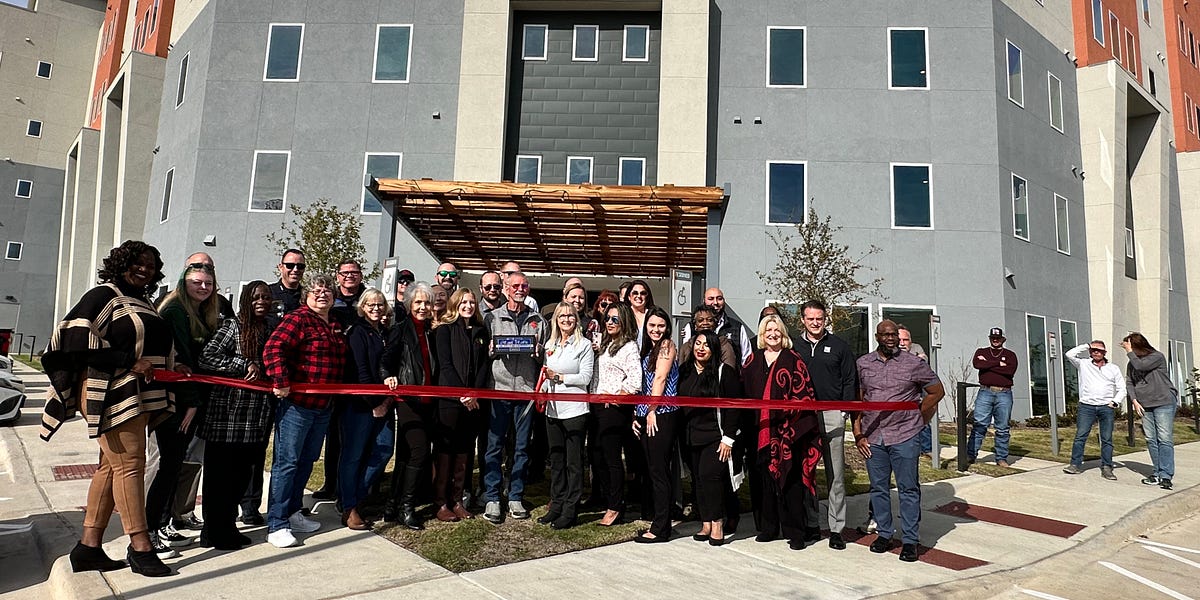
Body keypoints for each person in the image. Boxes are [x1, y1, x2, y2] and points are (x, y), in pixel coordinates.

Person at [41, 240, 174, 577]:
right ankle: (140, 547)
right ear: (121, 263)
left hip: (137, 394)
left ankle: (88, 547)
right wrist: (129, 360)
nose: (145, 269)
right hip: (109, 392)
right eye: (138, 263)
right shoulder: (104, 295)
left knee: (111, 467)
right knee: (131, 464)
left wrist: (177, 366)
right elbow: (73, 343)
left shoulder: (142, 301)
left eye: (151, 265)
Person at [263, 273, 348, 549]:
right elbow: (274, 348)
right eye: (316, 291)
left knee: (306, 461)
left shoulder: (333, 323)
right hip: (297, 406)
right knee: (286, 463)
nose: (322, 294)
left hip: (323, 407)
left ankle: (293, 510)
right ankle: (277, 522)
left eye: (327, 291)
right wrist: (280, 381)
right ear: (306, 296)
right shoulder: (297, 318)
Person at [854, 320, 945, 563]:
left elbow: (937, 391)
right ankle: (884, 534)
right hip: (874, 436)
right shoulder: (863, 364)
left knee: (908, 489)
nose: (891, 338)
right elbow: (858, 402)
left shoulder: (914, 364)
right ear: (877, 336)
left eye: (894, 334)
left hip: (905, 435)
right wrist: (858, 433)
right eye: (886, 334)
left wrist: (918, 417)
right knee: (878, 488)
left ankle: (910, 541)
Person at [146, 262, 220, 554]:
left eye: (208, 283)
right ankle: (150, 530)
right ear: (183, 282)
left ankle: (162, 524)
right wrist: (190, 402)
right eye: (197, 282)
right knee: (166, 466)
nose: (203, 287)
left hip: (188, 398)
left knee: (175, 467)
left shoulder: (199, 311)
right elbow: (181, 360)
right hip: (174, 401)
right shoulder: (175, 309)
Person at [196, 281, 275, 551]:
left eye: (266, 297)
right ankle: (214, 530)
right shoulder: (233, 326)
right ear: (245, 300)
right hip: (226, 416)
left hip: (255, 417)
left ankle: (226, 526)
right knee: (220, 478)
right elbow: (207, 357)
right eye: (255, 297)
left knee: (241, 477)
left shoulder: (270, 329)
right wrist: (243, 364)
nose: (261, 301)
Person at [741, 315, 822, 551]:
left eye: (776, 330)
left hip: (789, 432)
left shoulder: (793, 360)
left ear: (783, 334)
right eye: (768, 330)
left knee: (791, 482)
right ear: (762, 334)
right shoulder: (752, 361)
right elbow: (743, 394)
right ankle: (768, 528)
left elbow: (804, 394)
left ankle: (795, 532)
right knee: (764, 482)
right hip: (760, 432)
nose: (772, 334)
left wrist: (792, 424)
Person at [481, 271, 546, 523]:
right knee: (494, 446)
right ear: (506, 288)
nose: (520, 289)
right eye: (515, 285)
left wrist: (539, 353)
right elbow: (482, 355)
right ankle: (492, 497)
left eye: (524, 286)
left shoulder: (538, 320)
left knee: (521, 448)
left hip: (527, 392)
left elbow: (545, 358)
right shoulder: (492, 319)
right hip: (499, 389)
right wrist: (490, 351)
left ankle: (516, 495)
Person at [794, 300, 856, 550]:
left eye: (819, 318)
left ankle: (836, 528)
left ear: (825, 318)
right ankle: (810, 523)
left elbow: (850, 381)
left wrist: (843, 412)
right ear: (803, 320)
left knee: (836, 474)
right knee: (806, 472)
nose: (815, 323)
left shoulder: (840, 346)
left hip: (832, 414)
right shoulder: (794, 346)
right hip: (804, 415)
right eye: (810, 319)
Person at [380, 282, 438, 526]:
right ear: (409, 304)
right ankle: (407, 506)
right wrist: (387, 375)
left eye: (426, 302)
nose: (423, 307)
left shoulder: (431, 331)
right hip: (407, 399)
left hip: (428, 400)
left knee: (405, 454)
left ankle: (393, 504)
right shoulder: (401, 329)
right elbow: (387, 360)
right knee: (419, 451)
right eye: (418, 302)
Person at [678, 331, 744, 546]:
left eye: (706, 345)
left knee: (710, 478)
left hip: (715, 437)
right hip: (690, 436)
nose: (701, 348)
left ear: (714, 348)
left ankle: (717, 524)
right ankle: (705, 523)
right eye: (697, 343)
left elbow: (734, 409)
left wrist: (728, 438)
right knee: (697, 480)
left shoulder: (724, 372)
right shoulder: (685, 371)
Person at [339, 289, 396, 530]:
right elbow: (361, 372)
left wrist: (385, 402)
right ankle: (350, 507)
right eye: (371, 304)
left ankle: (355, 498)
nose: (376, 308)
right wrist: (375, 404)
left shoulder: (384, 332)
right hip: (360, 405)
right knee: (352, 457)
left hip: (384, 402)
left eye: (380, 304)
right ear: (362, 307)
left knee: (384, 450)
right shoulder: (357, 332)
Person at [434, 288, 491, 521]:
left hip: (472, 402)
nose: (468, 306)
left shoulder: (480, 331)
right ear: (455, 304)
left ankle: (457, 500)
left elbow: (483, 366)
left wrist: (473, 393)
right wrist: (462, 393)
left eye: (471, 302)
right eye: (463, 302)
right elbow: (445, 365)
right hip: (450, 401)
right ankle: (441, 503)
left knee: (464, 452)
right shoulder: (444, 331)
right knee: (445, 452)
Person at [538, 302, 595, 530]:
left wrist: (560, 377)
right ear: (556, 320)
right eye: (562, 316)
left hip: (575, 411)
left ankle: (571, 509)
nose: (566, 319)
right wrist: (542, 389)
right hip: (553, 410)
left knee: (573, 463)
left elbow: (586, 377)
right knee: (557, 460)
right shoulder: (550, 344)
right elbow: (544, 372)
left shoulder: (585, 345)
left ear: (576, 319)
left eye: (570, 316)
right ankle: (557, 505)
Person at [590, 301, 642, 527]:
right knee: (596, 455)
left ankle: (616, 506)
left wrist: (617, 397)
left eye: (615, 319)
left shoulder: (629, 347)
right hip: (597, 405)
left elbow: (635, 380)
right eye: (607, 319)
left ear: (624, 322)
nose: (610, 323)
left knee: (612, 458)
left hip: (614, 409)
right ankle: (608, 498)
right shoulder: (603, 343)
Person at [630, 307, 679, 543]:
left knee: (660, 472)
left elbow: (660, 379)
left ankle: (661, 528)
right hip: (646, 413)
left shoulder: (668, 346)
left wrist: (651, 410)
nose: (656, 330)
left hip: (662, 414)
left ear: (667, 327)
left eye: (660, 325)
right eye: (652, 325)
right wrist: (637, 414)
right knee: (652, 471)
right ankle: (660, 521)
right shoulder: (648, 349)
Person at [1062, 340, 1125, 480]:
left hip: (1106, 407)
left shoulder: (1113, 368)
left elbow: (1122, 388)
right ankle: (1075, 464)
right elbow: (1069, 354)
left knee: (1106, 438)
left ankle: (1107, 467)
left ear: (1105, 353)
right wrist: (1086, 346)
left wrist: (1115, 402)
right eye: (1093, 350)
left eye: (1099, 350)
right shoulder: (1083, 364)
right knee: (1081, 436)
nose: (1096, 352)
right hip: (1086, 406)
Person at [1122, 333, 1177, 490]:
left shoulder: (1157, 357)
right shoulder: (1131, 362)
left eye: (1131, 346)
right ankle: (1157, 472)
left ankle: (1166, 475)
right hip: (1144, 404)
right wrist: (1134, 400)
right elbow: (1129, 382)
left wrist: (1129, 351)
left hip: (1163, 401)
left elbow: (1141, 366)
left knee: (1164, 438)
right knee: (1151, 439)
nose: (1129, 350)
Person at [969, 327, 1018, 467]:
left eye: (998, 338)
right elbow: (977, 364)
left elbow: (1010, 370)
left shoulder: (1010, 355)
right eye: (993, 338)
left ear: (1003, 339)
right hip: (985, 391)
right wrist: (998, 363)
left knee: (1002, 428)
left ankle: (1001, 458)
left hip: (1004, 393)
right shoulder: (981, 352)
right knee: (979, 425)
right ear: (990, 338)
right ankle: (970, 455)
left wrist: (987, 364)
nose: (995, 340)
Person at [684, 288, 752, 367]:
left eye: (719, 299)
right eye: (711, 299)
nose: (715, 302)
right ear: (704, 301)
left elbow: (747, 358)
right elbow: (685, 355)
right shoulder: (691, 327)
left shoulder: (737, 327)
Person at [681, 306, 738, 370]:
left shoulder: (724, 346)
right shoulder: (686, 347)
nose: (705, 323)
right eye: (700, 320)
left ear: (715, 324)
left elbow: (729, 373)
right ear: (695, 325)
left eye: (709, 320)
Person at [269, 249, 306, 316]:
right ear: (280, 267)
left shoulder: (308, 296)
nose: (295, 270)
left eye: (300, 266)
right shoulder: (268, 293)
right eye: (290, 265)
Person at [625, 280, 654, 344]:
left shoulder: (653, 315)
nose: (639, 296)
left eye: (643, 293)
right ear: (629, 297)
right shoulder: (623, 314)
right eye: (635, 293)